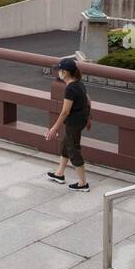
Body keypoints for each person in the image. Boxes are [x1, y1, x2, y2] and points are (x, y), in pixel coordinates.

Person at [45, 57, 92, 192]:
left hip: (74, 121)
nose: (57, 72)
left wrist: (53, 129)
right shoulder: (79, 83)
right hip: (81, 118)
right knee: (66, 144)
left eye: (59, 70)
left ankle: (83, 183)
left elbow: (65, 111)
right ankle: (59, 174)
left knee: (73, 149)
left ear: (64, 72)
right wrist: (89, 118)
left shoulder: (70, 88)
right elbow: (88, 100)